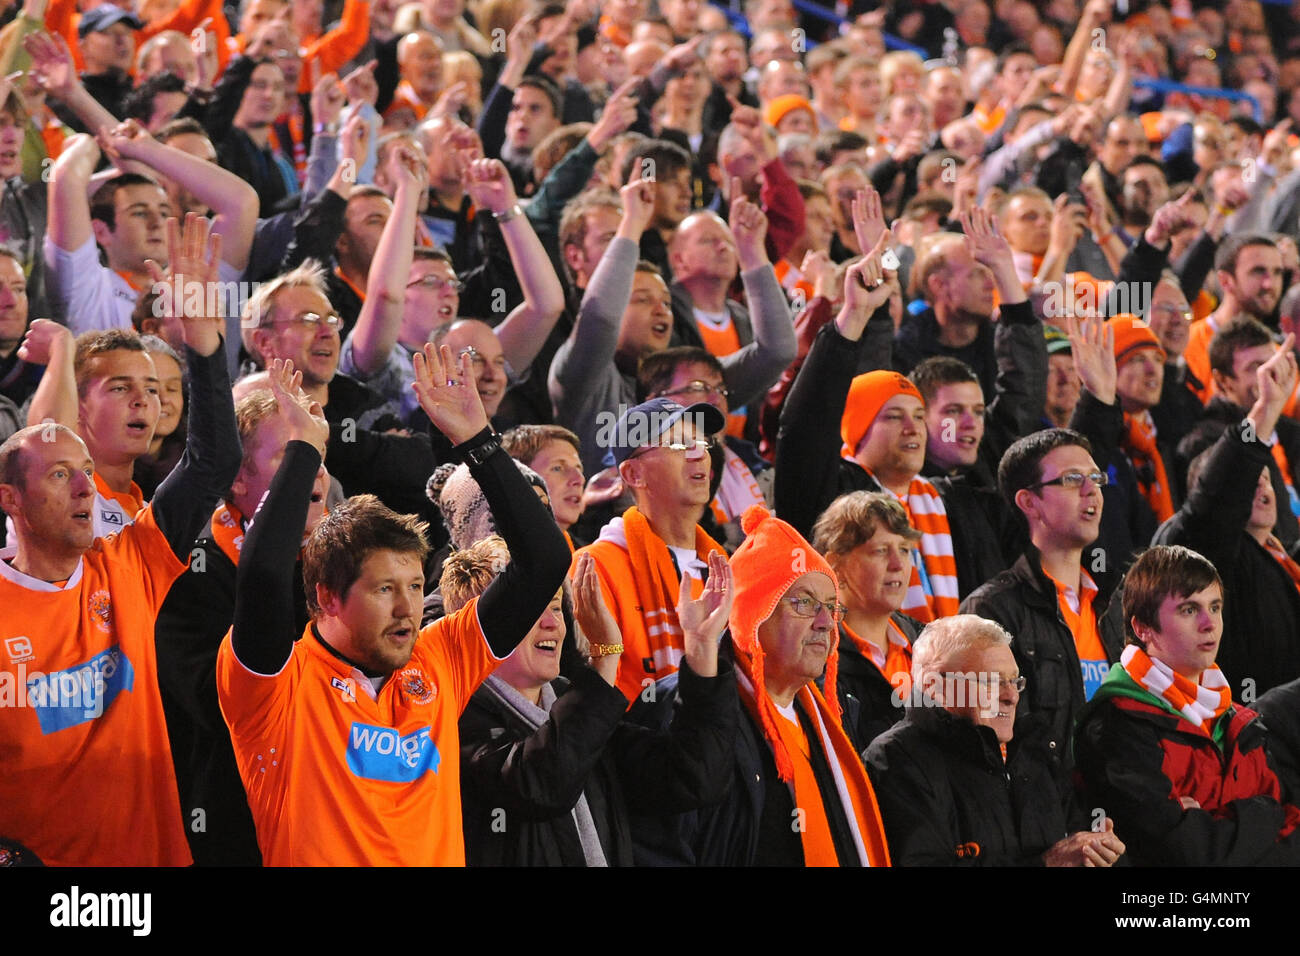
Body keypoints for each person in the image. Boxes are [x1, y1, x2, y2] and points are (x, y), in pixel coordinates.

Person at [217, 343, 571, 865]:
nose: (408, 607)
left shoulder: (441, 657)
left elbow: (543, 562)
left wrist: (478, 441)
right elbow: (264, 573)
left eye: (411, 585)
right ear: (327, 597)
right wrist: (304, 452)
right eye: (385, 589)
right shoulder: (277, 688)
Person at [0, 216, 240, 865]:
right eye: (121, 387)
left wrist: (206, 347)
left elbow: (215, 460)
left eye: (156, 390)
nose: (148, 402)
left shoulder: (133, 549)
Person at [637, 505, 892, 866]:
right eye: (804, 602)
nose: (824, 622)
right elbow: (660, 845)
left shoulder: (836, 713)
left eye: (832, 608)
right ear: (752, 615)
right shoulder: (684, 705)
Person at [455, 545, 738, 866]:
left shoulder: (577, 705)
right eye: (533, 608)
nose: (551, 624)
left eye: (556, 607)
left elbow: (693, 778)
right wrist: (605, 657)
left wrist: (701, 646)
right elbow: (540, 787)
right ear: (478, 626)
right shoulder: (454, 715)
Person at [154, 385, 333, 866]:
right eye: (291, 454)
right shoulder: (191, 574)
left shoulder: (349, 569)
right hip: (235, 827)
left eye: (317, 453)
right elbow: (219, 707)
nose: (311, 470)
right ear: (237, 477)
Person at [1074, 545, 1300, 866]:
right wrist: (1266, 815)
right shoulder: (1116, 724)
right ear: (1143, 628)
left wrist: (1217, 825)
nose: (1210, 623)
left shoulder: (1239, 720)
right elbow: (1187, 854)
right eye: (1189, 610)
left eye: (1215, 606)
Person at [865, 614, 1125, 867]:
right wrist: (1046, 864)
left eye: (1014, 681)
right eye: (992, 681)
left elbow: (1071, 840)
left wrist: (1094, 849)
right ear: (936, 687)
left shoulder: (1034, 751)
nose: (1011, 696)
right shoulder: (894, 759)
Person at [960, 422, 1124, 797]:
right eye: (1071, 480)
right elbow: (991, 744)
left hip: (1126, 810)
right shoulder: (991, 609)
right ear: (1028, 502)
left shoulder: (1119, 600)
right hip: (1052, 821)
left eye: (1095, 478)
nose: (1091, 490)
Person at [1153, 337, 1300, 697]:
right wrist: (1265, 410)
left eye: (1267, 480)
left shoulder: (1282, 560)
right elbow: (1217, 502)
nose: (1262, 488)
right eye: (1252, 481)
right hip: (1246, 729)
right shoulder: (1212, 554)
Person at [578, 396, 727, 701]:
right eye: (677, 445)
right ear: (634, 474)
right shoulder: (594, 568)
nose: (698, 454)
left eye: (702, 442)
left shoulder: (725, 568)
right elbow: (595, 692)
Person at [811, 491, 923, 751]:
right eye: (881, 551)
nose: (897, 564)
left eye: (904, 550)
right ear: (835, 566)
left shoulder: (930, 643)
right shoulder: (815, 656)